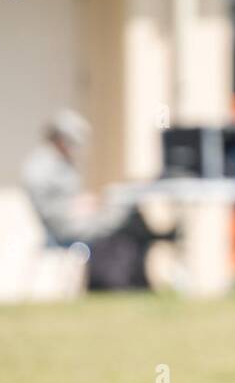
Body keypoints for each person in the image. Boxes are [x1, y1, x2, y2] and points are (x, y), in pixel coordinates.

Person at [21, 108, 172, 291]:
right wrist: (79, 207)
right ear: (60, 138)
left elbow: (70, 198)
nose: (74, 148)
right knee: (125, 212)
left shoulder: (59, 162)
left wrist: (90, 202)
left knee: (125, 207)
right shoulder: (41, 166)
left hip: (78, 219)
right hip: (66, 226)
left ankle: (146, 257)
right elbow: (53, 209)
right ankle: (156, 243)